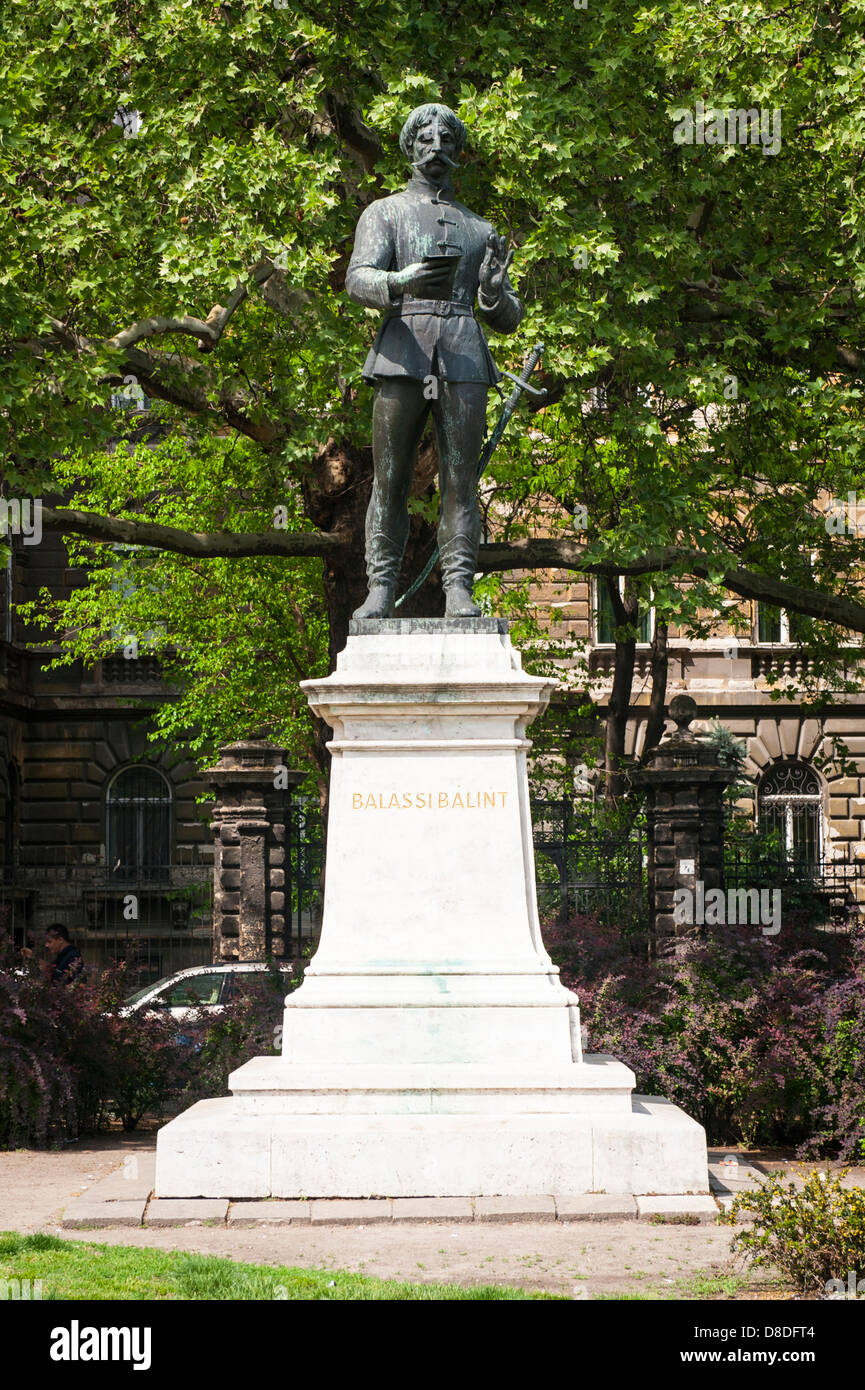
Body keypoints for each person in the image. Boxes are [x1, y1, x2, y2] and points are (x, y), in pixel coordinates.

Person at [345, 101, 524, 619]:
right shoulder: (384, 213)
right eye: (426, 139)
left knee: (461, 483)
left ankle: (459, 589)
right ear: (410, 146)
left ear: (458, 150)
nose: (437, 147)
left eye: (447, 139)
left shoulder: (481, 229)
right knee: (390, 479)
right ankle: (380, 588)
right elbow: (357, 279)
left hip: (464, 355)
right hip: (402, 351)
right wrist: (399, 281)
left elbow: (508, 316)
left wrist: (492, 292)